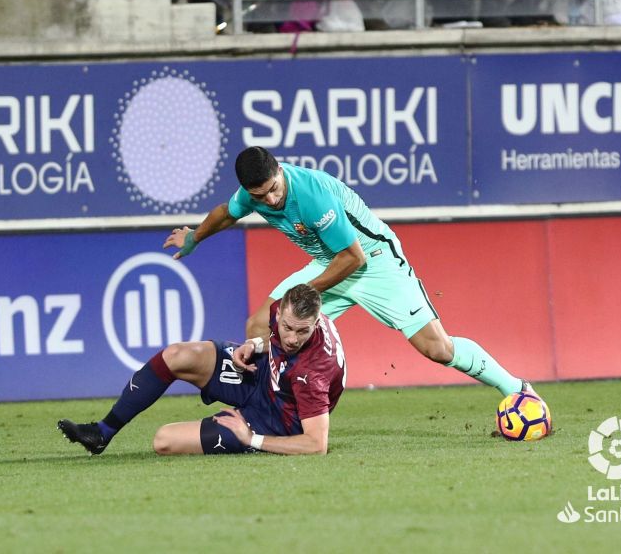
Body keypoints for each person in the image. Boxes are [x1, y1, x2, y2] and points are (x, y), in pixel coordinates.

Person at [163, 146, 537, 399]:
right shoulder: (253, 193)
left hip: (374, 262)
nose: (271, 201)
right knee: (259, 326)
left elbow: (353, 258)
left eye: (274, 190)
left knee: (437, 349)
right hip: (330, 262)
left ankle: (517, 389)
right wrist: (195, 236)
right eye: (260, 197)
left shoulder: (311, 196)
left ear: (280, 172)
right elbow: (226, 213)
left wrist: (301, 297)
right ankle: (271, 410)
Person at [58, 284, 346, 456]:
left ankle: (245, 436)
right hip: (260, 376)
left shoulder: (313, 373)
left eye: (302, 332)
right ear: (281, 311)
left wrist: (252, 439)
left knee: (164, 441)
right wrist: (257, 345)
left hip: (275, 422)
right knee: (178, 355)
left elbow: (316, 444)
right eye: (287, 328)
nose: (293, 338)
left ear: (316, 323)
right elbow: (277, 339)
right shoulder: (287, 310)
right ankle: (101, 433)